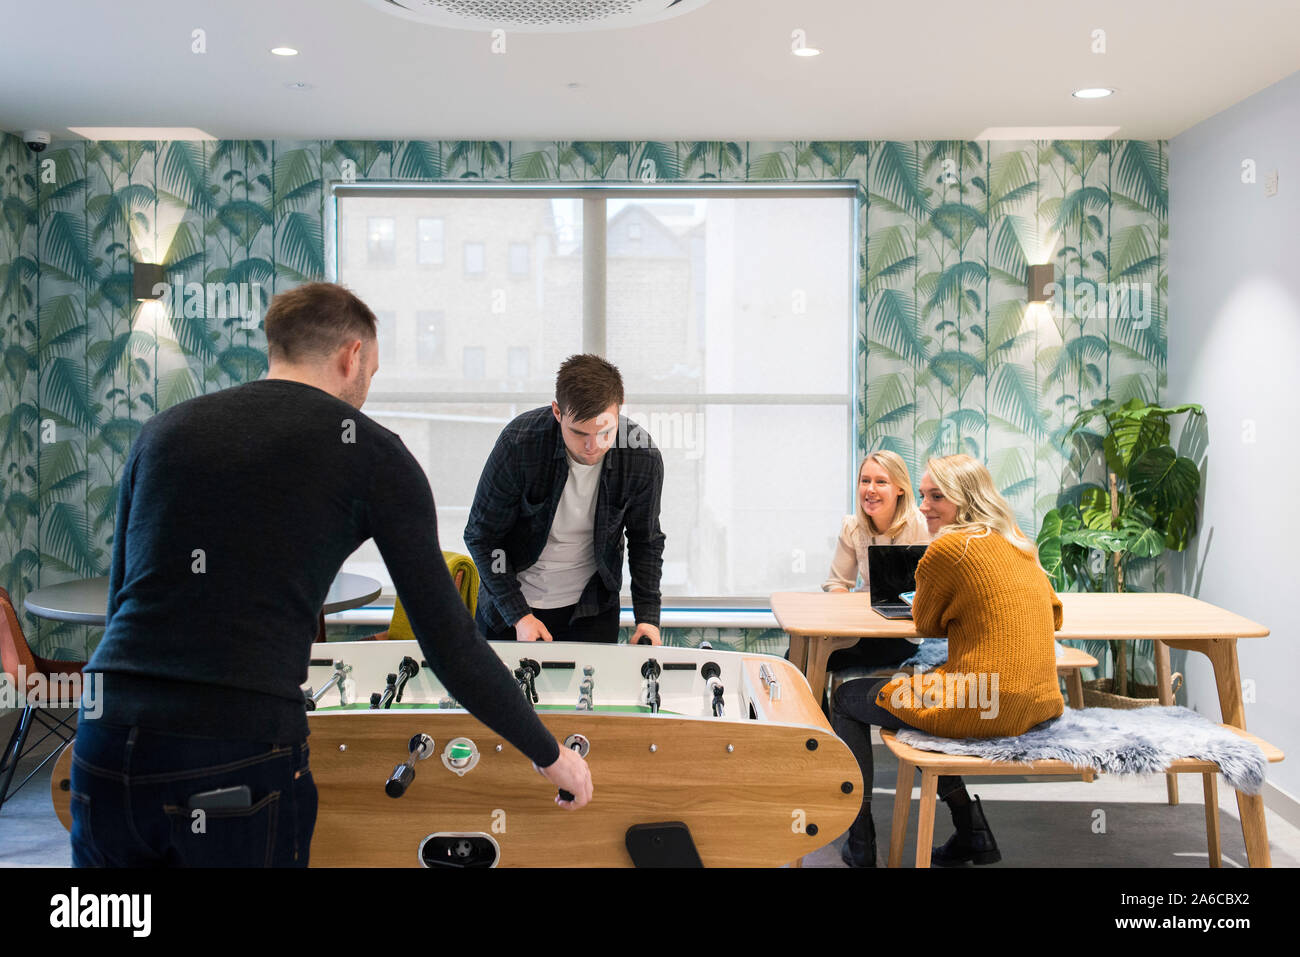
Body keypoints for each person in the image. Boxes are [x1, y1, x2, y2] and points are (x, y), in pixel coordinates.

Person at [71, 282, 591, 868]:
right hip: (236, 743)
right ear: (353, 356)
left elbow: (122, 602)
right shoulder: (374, 455)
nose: (368, 386)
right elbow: (449, 644)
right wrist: (550, 754)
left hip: (106, 732)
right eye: (372, 370)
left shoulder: (162, 431)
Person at [830, 453, 1064, 868]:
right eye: (922, 495)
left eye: (937, 496)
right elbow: (1055, 612)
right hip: (1038, 702)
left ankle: (861, 839)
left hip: (983, 702)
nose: (924, 506)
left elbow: (926, 621)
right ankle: (972, 831)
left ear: (966, 498)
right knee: (919, 686)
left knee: (848, 698)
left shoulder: (950, 548)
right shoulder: (1019, 543)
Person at [464, 354, 666, 646]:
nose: (592, 446)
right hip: (510, 609)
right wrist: (519, 615)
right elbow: (483, 537)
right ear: (557, 411)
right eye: (579, 432)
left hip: (591, 609)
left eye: (605, 432)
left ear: (619, 408)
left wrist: (647, 619)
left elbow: (645, 540)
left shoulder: (641, 457)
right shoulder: (519, 445)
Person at [821, 450, 931, 671]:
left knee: (816, 659)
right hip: (861, 626)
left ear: (900, 488)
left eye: (881, 481)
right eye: (865, 481)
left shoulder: (922, 525)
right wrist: (850, 613)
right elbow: (837, 583)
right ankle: (815, 708)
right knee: (802, 654)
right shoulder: (852, 526)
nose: (870, 489)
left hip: (902, 633)